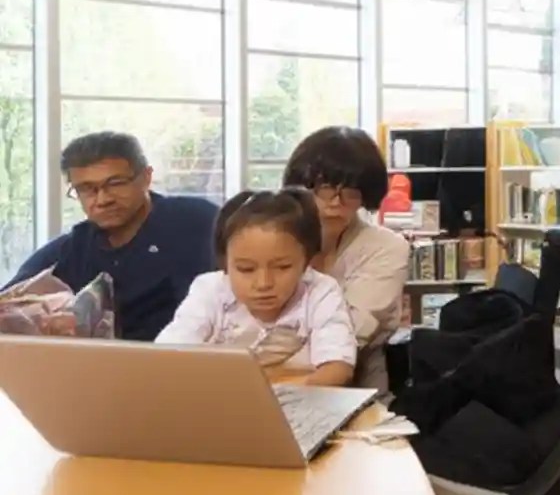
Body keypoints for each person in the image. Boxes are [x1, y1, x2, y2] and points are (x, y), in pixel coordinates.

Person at [3, 131, 217, 341]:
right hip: (96, 368)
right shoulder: (73, 248)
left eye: (115, 184)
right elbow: (9, 300)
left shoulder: (195, 222)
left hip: (188, 363)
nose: (103, 199)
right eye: (87, 189)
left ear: (146, 177)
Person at [156, 188, 357, 387]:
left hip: (301, 401)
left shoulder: (321, 291)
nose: (264, 283)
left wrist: (269, 391)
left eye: (282, 267)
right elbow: (167, 356)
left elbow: (337, 368)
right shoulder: (209, 290)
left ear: (307, 262)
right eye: (246, 269)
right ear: (224, 264)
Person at [282, 126, 410, 394]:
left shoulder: (385, 247)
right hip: (269, 385)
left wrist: (266, 370)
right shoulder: (274, 238)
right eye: (325, 187)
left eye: (352, 191)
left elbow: (347, 339)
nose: (337, 202)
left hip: (355, 394)